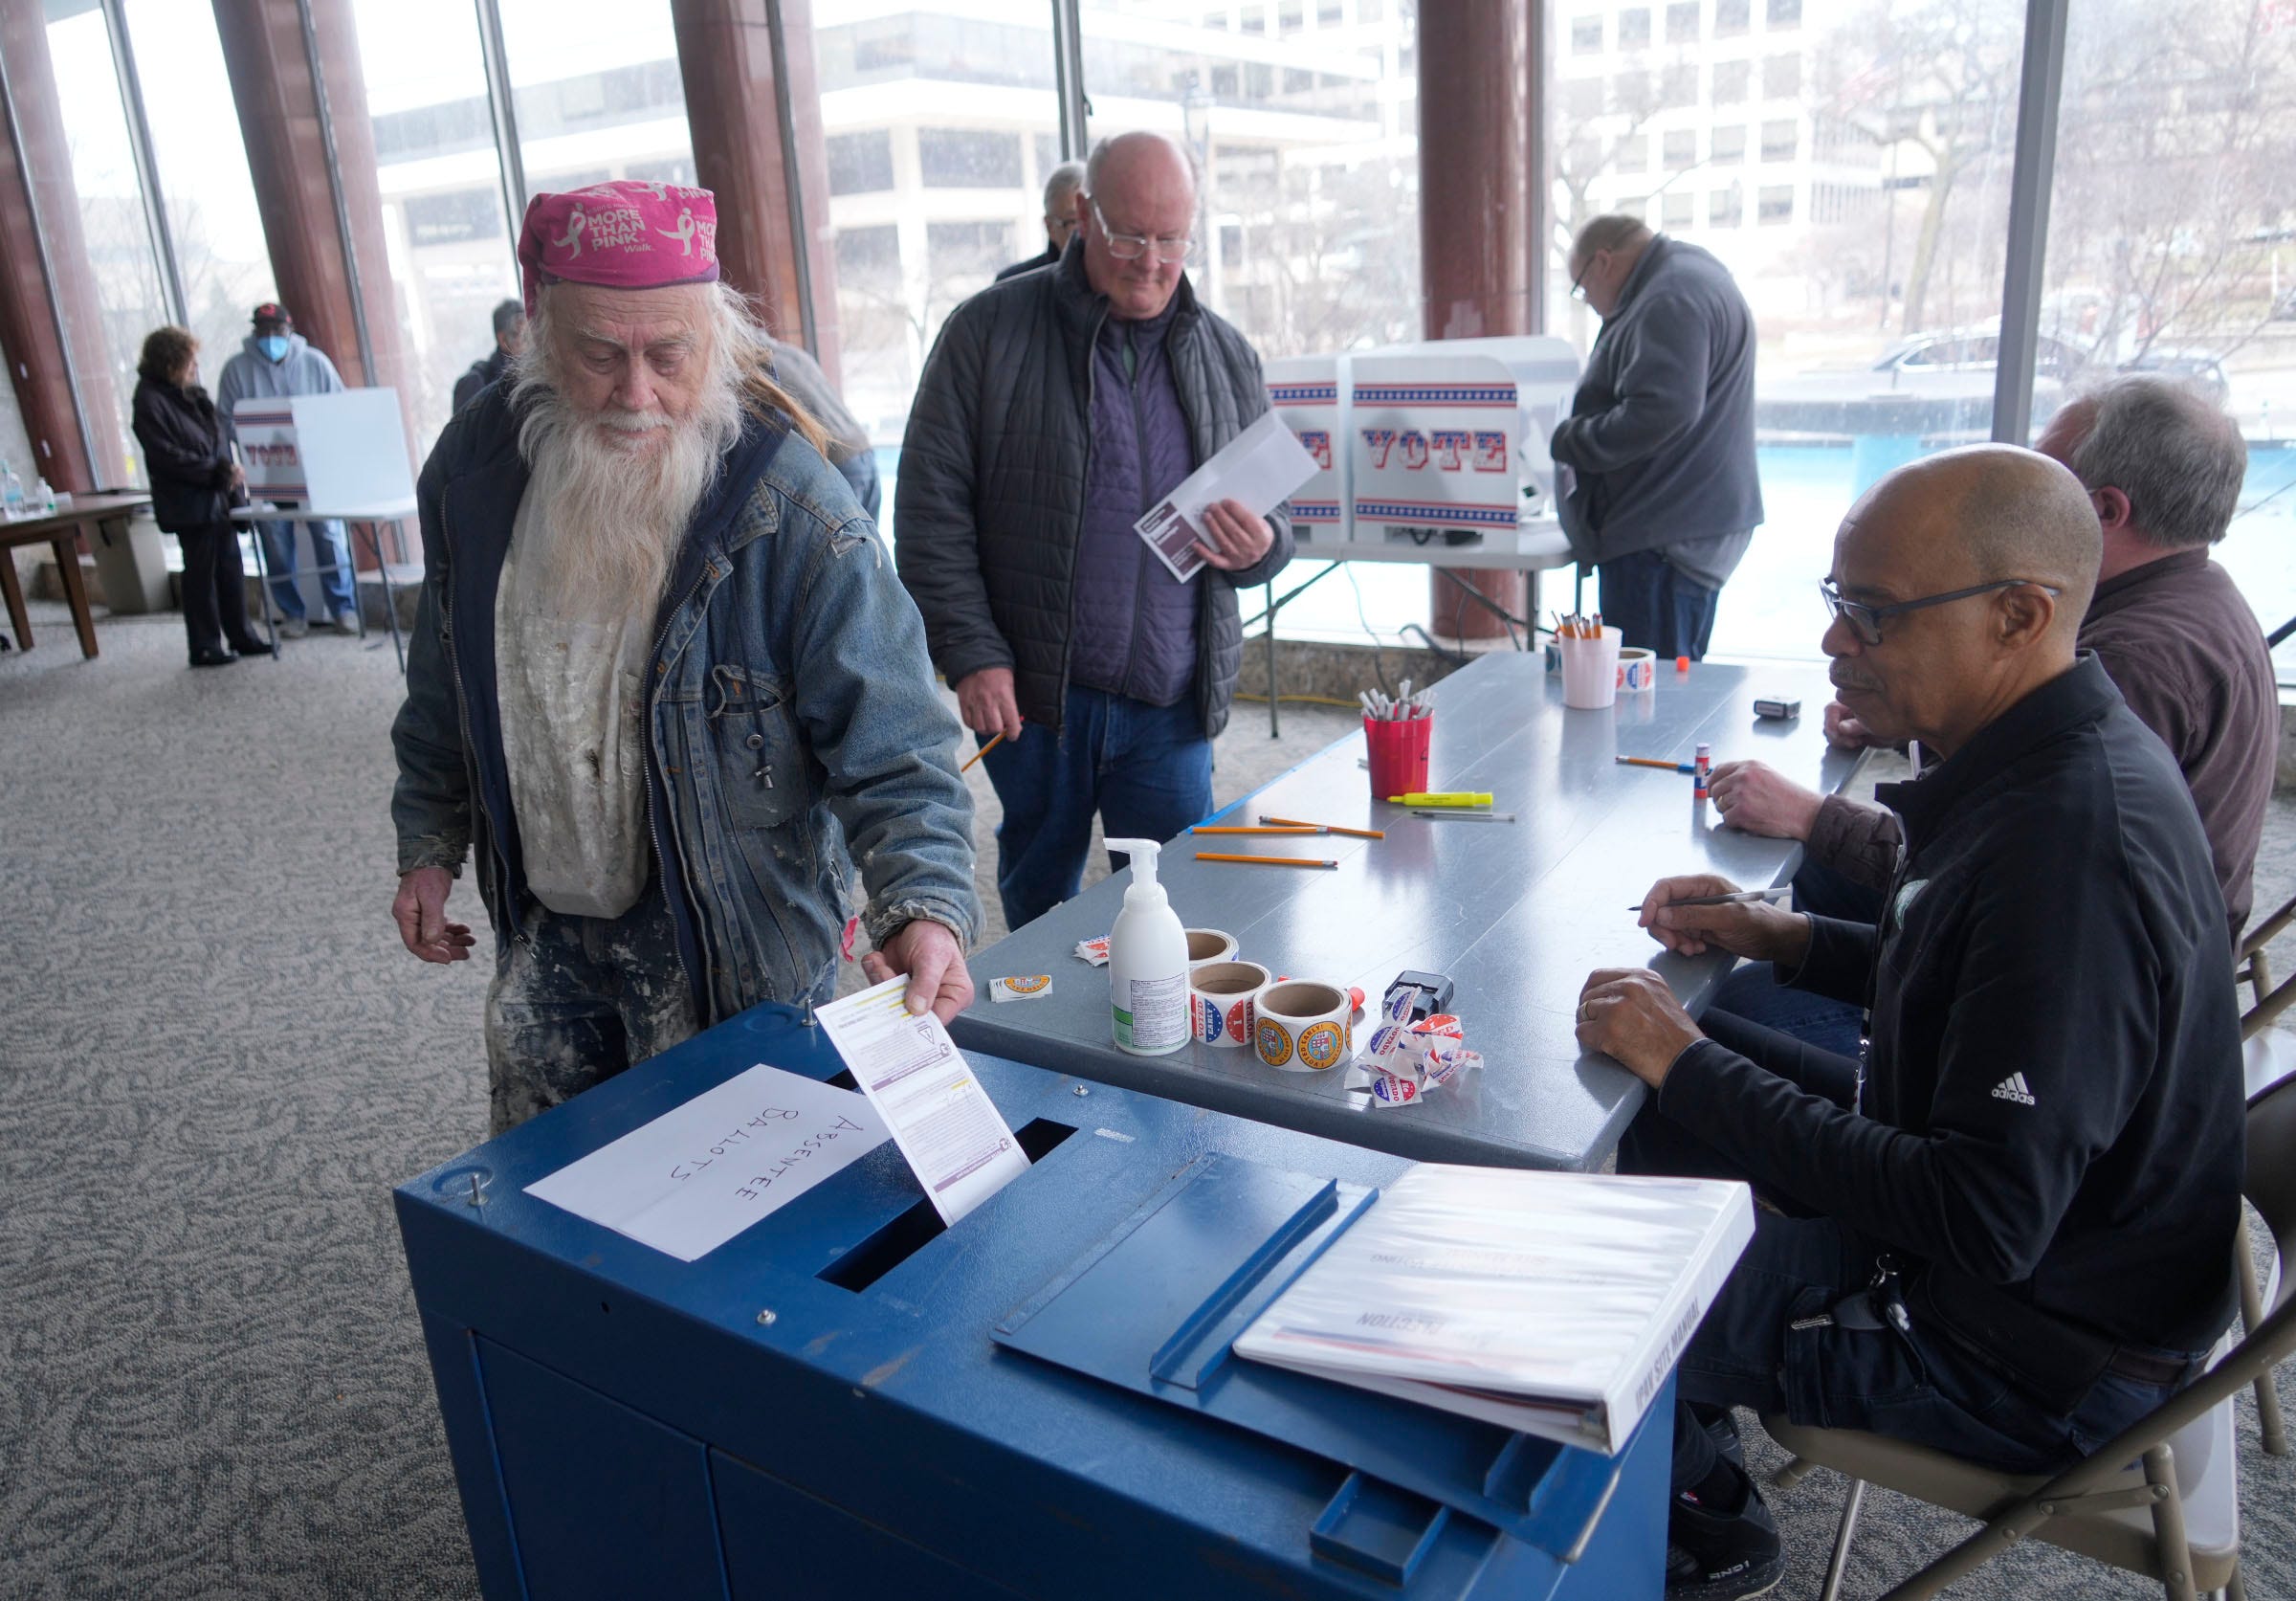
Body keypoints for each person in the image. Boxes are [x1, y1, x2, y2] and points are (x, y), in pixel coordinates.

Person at [1575, 446, 2243, 1600]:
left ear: (2018, 616)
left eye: (1873, 616)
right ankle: (1688, 1416)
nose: (1838, 644)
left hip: (2016, 1346)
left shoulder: (2077, 850)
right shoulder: (2037, 758)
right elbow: (1966, 985)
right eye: (1840, 605)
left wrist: (1684, 1061)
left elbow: (1980, 1216)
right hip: (2030, 1236)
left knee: (1567, 1274)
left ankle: (1700, 1523)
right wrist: (1783, 937)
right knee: (1680, 1083)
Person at [389, 180, 980, 1136]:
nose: (636, 394)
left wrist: (923, 904)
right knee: (558, 1193)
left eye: (669, 356)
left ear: (717, 339)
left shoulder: (795, 511)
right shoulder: (473, 471)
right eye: (597, 356)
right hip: (543, 927)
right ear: (539, 329)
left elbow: (899, 744)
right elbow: (443, 683)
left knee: (736, 1199)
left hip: (736, 943)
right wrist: (428, 841)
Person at [1707, 376, 2277, 1056]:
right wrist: (1921, 709)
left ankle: (1870, 1048)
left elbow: (1982, 867)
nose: (2016, 493)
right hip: (2072, 954)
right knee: (1802, 882)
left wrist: (1811, 816)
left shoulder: (2132, 672)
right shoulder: (2189, 601)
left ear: (2099, 512)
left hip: (2097, 1012)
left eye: (2041, 471)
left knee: (1719, 1026)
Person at [898, 131, 1294, 930]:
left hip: (1170, 701)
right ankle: (1043, 1059)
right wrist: (973, 652)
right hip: (1040, 698)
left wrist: (1266, 547)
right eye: (1129, 235)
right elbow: (928, 511)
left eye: (1172, 239)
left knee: (1179, 917)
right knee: (1043, 914)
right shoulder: (987, 333)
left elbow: (1274, 519)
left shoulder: (1226, 353)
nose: (1151, 260)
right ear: (1082, 215)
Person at [1551, 215, 1760, 660]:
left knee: (1647, 704)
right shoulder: (1689, 277)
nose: (1588, 302)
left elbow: (1661, 410)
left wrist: (1571, 440)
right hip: (1683, 526)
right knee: (1666, 690)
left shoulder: (1669, 297)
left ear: (1603, 261)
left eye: (1582, 287)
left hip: (1662, 540)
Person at [130, 326, 271, 668]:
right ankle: (205, 645)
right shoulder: (149, 399)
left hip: (219, 499)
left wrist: (229, 475)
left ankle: (241, 635)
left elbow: (215, 441)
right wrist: (217, 470)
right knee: (201, 577)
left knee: (230, 570)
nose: (195, 367)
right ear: (171, 361)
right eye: (190, 360)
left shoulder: (191, 394)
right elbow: (166, 456)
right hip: (190, 503)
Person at [215, 301, 358, 638]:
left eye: (276, 331)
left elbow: (340, 409)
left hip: (317, 474)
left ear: (289, 330)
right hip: (268, 474)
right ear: (254, 332)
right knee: (276, 546)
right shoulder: (236, 370)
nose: (270, 337)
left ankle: (344, 608)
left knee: (330, 540)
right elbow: (224, 421)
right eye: (263, 331)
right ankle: (292, 613)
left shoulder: (315, 363)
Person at [764, 333, 881, 520]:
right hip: (863, 451)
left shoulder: (764, 369)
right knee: (871, 545)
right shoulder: (794, 355)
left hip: (838, 461)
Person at [995, 161, 1085, 280]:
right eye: (1074, 222)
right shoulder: (1013, 285)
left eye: (1094, 217)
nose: (1087, 231)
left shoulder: (1114, 282)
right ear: (1050, 227)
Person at [453, 299, 526, 414]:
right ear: (503, 340)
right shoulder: (474, 384)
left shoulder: (533, 377)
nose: (532, 344)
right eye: (524, 336)